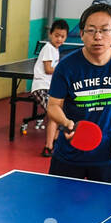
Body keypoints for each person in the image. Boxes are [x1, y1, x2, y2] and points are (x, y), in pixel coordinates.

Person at [46, 3, 111, 184]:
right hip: (69, 155)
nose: (97, 36)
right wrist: (66, 122)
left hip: (108, 154)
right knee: (58, 209)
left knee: (106, 208)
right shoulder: (66, 66)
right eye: (91, 30)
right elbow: (53, 105)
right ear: (81, 34)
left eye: (104, 30)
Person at [32, 20, 71, 157]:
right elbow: (48, 69)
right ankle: (49, 146)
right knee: (55, 115)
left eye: (62, 36)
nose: (59, 39)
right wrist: (63, 70)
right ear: (50, 34)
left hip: (49, 88)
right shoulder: (48, 48)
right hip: (40, 87)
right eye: (56, 35)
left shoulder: (56, 50)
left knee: (59, 113)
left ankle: (54, 142)